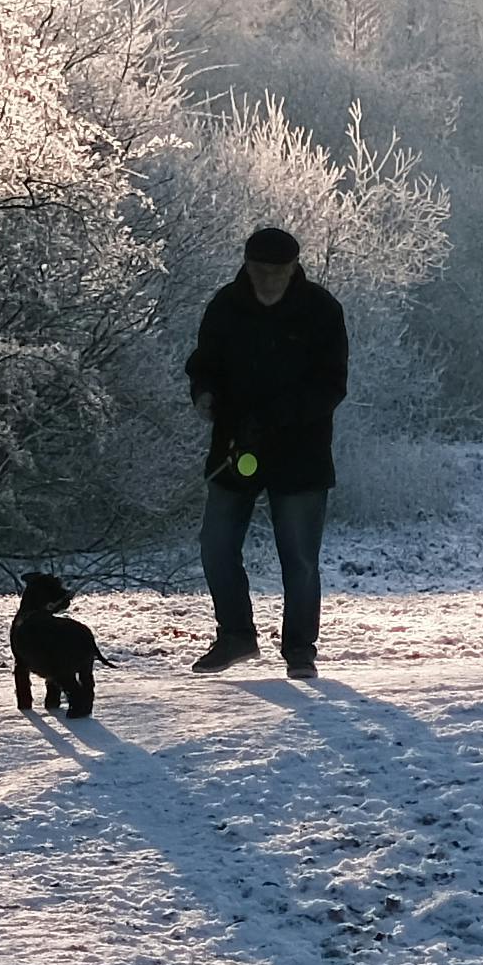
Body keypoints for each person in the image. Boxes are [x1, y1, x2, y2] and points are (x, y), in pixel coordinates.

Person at [181, 225, 349, 678]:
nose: (268, 279)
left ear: (294, 267)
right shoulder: (225, 307)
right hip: (235, 446)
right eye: (260, 270)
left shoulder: (321, 310)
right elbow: (203, 364)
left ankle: (299, 649)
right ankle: (235, 635)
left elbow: (332, 385)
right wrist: (204, 394)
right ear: (247, 266)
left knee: (297, 556)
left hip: (301, 452)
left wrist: (277, 417)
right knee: (215, 546)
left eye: (277, 271)